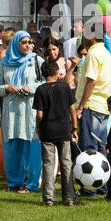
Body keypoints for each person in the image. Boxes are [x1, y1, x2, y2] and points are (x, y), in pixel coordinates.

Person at [0, 29, 43, 194]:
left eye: (29, 42)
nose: (28, 45)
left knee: (32, 147)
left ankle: (32, 183)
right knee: (13, 149)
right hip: (11, 113)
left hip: (30, 111)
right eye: (24, 42)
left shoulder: (36, 61)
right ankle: (15, 182)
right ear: (16, 43)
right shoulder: (4, 63)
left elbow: (46, 82)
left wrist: (31, 87)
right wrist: (7, 87)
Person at [73, 26, 111, 196]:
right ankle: (102, 187)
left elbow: (91, 82)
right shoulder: (105, 53)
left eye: (83, 34)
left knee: (89, 148)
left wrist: (81, 106)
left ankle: (89, 189)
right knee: (99, 147)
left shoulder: (93, 53)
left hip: (92, 105)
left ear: (91, 36)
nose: (81, 37)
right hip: (103, 105)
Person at [34, 58, 76, 206]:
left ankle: (48, 198)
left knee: (48, 164)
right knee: (66, 164)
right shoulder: (65, 87)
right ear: (57, 72)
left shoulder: (40, 90)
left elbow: (39, 114)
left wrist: (38, 127)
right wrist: (74, 128)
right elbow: (72, 110)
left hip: (47, 131)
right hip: (64, 131)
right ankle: (69, 197)